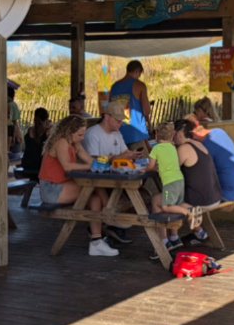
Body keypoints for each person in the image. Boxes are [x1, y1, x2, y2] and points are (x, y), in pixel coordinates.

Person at [38, 116, 115, 257]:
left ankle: (96, 242)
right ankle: (111, 217)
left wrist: (103, 161)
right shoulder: (61, 142)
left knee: (95, 199)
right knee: (95, 185)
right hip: (52, 189)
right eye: (80, 134)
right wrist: (91, 167)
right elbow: (67, 167)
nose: (82, 137)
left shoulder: (74, 142)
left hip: (64, 186)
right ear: (69, 132)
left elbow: (89, 160)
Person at [80, 101, 135, 244]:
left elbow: (124, 152)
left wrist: (133, 155)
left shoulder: (117, 133)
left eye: (121, 120)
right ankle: (111, 222)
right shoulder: (93, 134)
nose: (120, 123)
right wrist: (118, 157)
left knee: (132, 192)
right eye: (117, 120)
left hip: (114, 176)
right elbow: (92, 160)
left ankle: (111, 224)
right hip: (96, 178)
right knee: (102, 190)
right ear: (107, 117)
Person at [146, 122, 193, 258]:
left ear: (155, 136)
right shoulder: (173, 147)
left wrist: (146, 168)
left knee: (162, 205)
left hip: (170, 183)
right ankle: (173, 238)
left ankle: (164, 240)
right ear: (172, 136)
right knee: (173, 205)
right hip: (180, 180)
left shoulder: (156, 149)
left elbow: (150, 167)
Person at [174, 118, 222, 244]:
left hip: (201, 200)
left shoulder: (183, 148)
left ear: (179, 134)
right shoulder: (199, 144)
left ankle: (170, 239)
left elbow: (171, 171)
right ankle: (198, 231)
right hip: (214, 196)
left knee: (163, 201)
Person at [184, 116, 234, 204]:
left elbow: (200, 176)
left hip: (227, 193)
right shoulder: (219, 131)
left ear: (194, 136)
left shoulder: (206, 147)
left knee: (187, 196)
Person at [109, 60, 151, 145]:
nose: (138, 76)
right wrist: (149, 124)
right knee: (141, 158)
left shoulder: (114, 87)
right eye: (139, 74)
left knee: (120, 159)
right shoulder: (140, 85)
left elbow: (110, 109)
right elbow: (146, 111)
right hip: (137, 134)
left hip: (118, 135)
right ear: (136, 71)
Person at [21, 107, 51, 179]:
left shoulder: (30, 130)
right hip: (40, 164)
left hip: (27, 163)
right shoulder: (47, 132)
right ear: (46, 119)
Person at [7, 87, 23, 156]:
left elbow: (14, 122)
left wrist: (13, 137)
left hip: (10, 131)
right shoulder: (12, 105)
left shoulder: (11, 105)